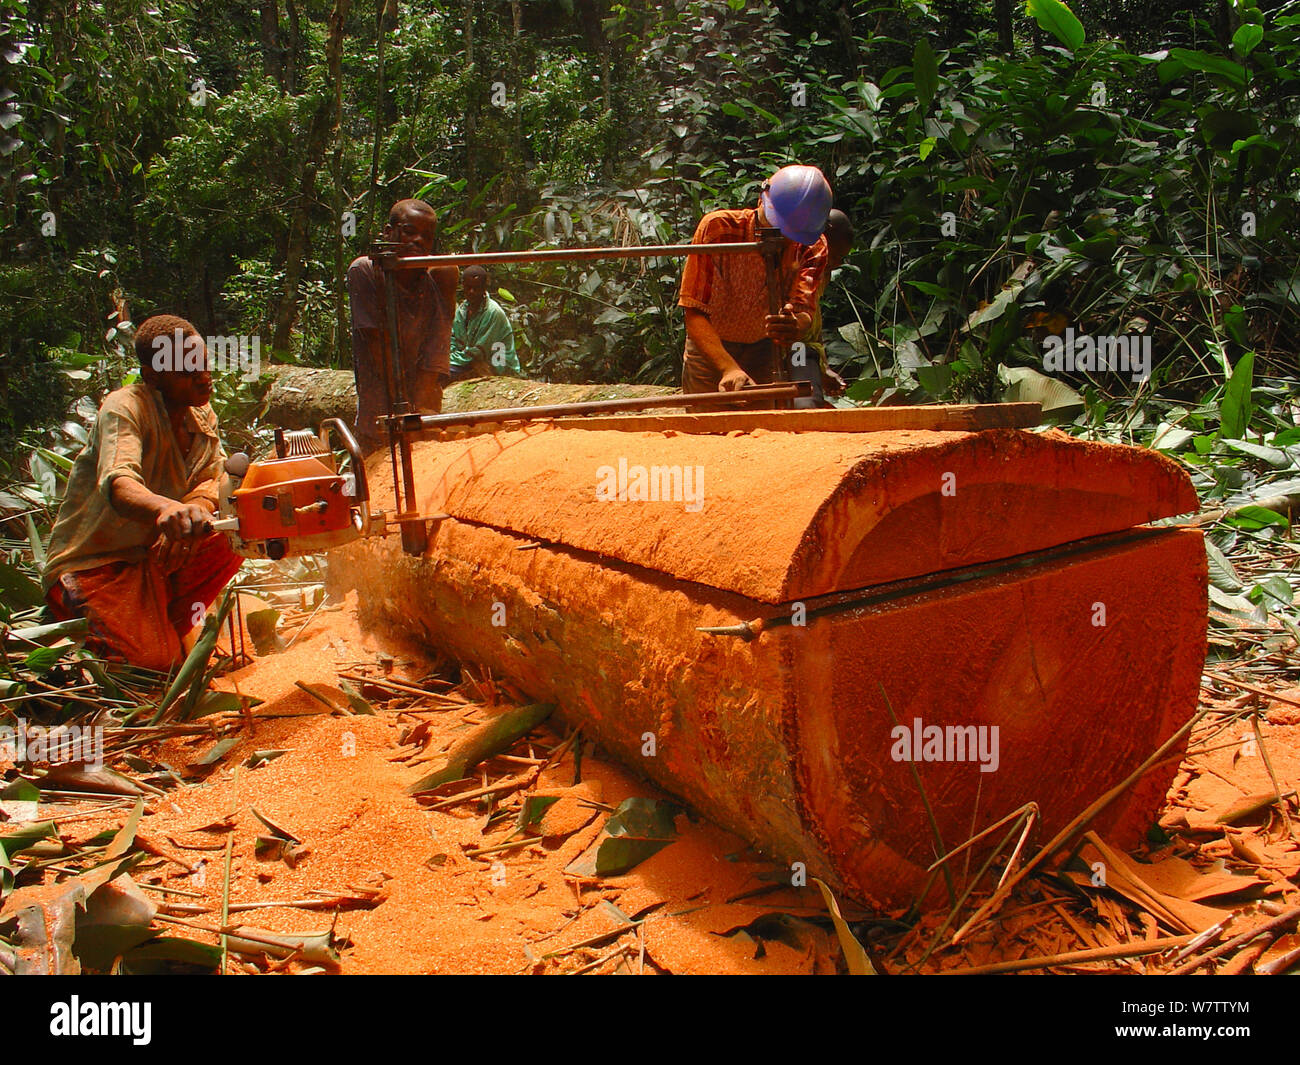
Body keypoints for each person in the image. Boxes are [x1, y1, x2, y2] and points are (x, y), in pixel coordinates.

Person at [43, 315, 243, 671]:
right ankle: (157, 642)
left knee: (243, 530)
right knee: (152, 669)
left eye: (204, 364)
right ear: (153, 377)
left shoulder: (201, 414)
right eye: (187, 371)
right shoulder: (124, 407)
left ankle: (169, 623)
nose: (203, 377)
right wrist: (164, 508)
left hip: (153, 557)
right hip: (97, 566)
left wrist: (195, 505)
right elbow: (119, 484)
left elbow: (215, 475)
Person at [678, 164, 832, 395]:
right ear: (762, 200)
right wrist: (728, 368)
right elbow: (693, 310)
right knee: (704, 425)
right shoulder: (718, 230)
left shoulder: (812, 246)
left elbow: (804, 309)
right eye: (777, 228)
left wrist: (793, 324)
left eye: (793, 234)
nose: (784, 239)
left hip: (764, 349)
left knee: (762, 427)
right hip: (710, 347)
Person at [347, 198, 458, 452]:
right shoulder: (366, 271)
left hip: (424, 403)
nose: (418, 241)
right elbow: (380, 349)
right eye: (409, 232)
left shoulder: (439, 276)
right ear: (389, 232)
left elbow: (437, 348)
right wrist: (404, 411)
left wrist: (421, 407)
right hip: (380, 409)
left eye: (426, 236)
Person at [793, 208, 855, 408]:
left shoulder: (822, 272)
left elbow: (813, 319)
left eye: (840, 259)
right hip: (793, 349)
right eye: (834, 256)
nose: (836, 264)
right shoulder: (796, 262)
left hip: (806, 350)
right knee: (805, 405)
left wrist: (823, 368)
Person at [448, 265, 523, 380]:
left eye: (476, 288)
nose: (471, 292)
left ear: (484, 287)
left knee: (444, 373)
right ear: (462, 286)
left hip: (498, 368)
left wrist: (449, 361)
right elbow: (453, 339)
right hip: (470, 361)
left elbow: (478, 351)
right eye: (468, 287)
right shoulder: (462, 310)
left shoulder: (493, 313)